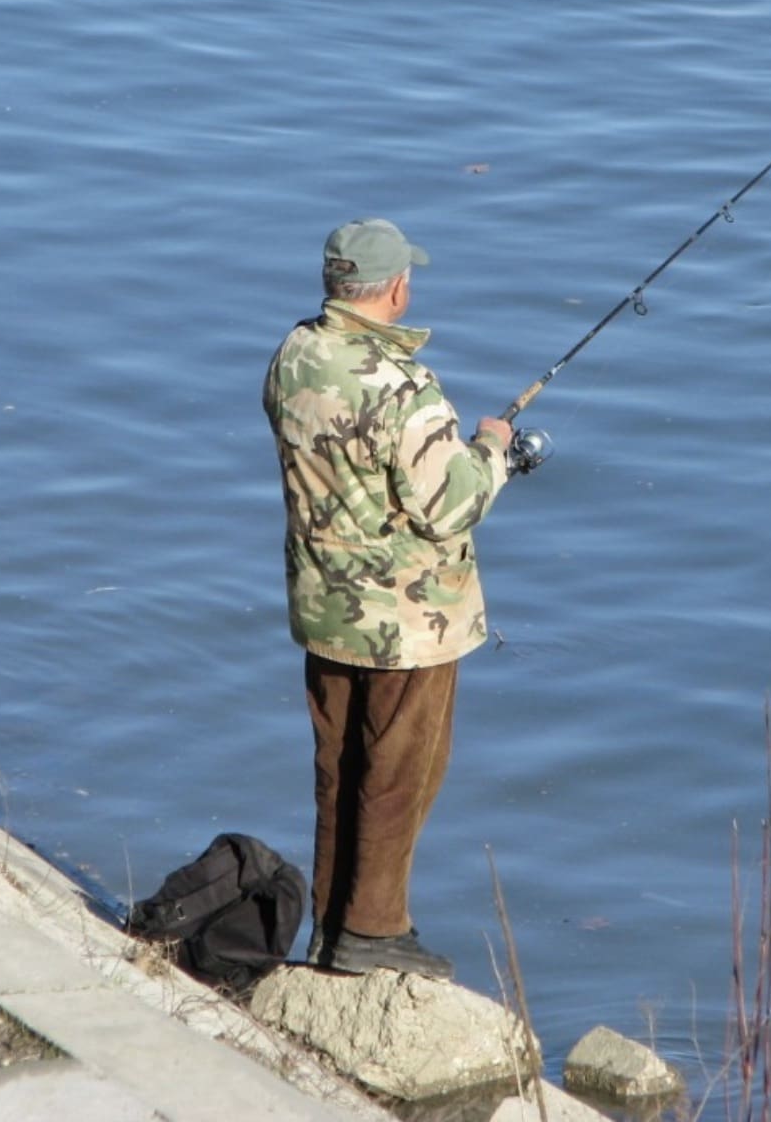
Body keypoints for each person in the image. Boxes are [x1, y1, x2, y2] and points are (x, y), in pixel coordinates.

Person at [262, 218, 513, 980]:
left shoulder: (295, 355)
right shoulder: (404, 388)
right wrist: (493, 450)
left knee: (340, 764)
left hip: (325, 608)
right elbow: (450, 505)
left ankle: (333, 930)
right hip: (409, 623)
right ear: (396, 288)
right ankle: (373, 931)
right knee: (401, 771)